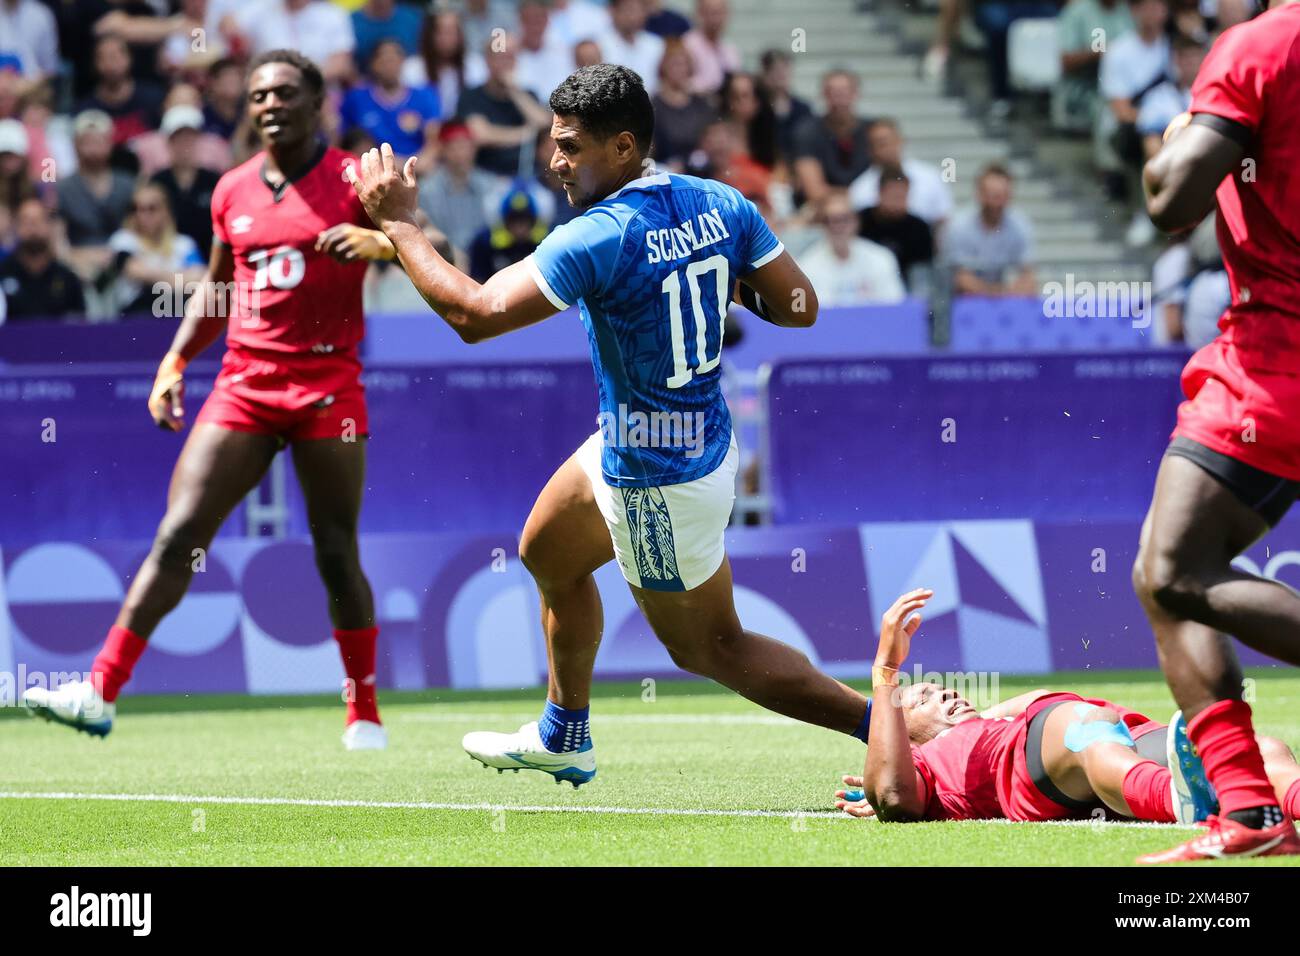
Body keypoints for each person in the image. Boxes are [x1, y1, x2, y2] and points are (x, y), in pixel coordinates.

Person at [348, 64, 876, 785]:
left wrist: (402, 225)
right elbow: (799, 308)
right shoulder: (722, 201)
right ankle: (565, 733)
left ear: (623, 147)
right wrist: (711, 276)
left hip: (657, 477)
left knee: (710, 648)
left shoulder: (597, 235)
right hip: (676, 440)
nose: (554, 162)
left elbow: (474, 315)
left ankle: (882, 727)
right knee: (548, 554)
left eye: (570, 146)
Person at [23, 50, 401, 751]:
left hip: (328, 385)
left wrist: (381, 242)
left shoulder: (354, 176)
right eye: (258, 94)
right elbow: (218, 290)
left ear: (318, 101)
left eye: (285, 92)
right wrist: (174, 359)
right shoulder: (230, 190)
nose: (269, 104)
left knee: (335, 550)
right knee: (179, 532)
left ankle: (364, 711)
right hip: (246, 384)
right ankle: (99, 691)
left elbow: (426, 244)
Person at [1132, 0, 1300, 862]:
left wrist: (1172, 137)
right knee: (1170, 570)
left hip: (1278, 357)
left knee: (1172, 570)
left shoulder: (1264, 46)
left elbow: (1171, 199)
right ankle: (1247, 809)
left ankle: (1247, 807)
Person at [836, 590, 1300, 836]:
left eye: (942, 688)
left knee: (1262, 749)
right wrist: (887, 669)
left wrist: (988, 715)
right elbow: (895, 797)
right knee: (1083, 727)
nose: (945, 694)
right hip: (1065, 752)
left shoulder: (993, 722)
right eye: (923, 699)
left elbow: (1027, 700)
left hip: (1124, 745)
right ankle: (1178, 800)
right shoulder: (926, 764)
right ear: (906, 736)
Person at [457, 35, 553, 179]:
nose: (506, 64)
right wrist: (526, 133)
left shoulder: (527, 95)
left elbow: (545, 125)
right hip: (486, 175)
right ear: (488, 61)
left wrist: (514, 91)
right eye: (501, 58)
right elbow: (480, 135)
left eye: (511, 58)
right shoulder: (472, 96)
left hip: (528, 176)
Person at [340, 39, 441, 171]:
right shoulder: (356, 98)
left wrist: (417, 165)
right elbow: (346, 141)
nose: (389, 66)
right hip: (374, 171)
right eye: (384, 61)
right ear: (373, 64)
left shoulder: (425, 95)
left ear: (403, 61)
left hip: (420, 170)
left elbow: (434, 140)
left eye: (393, 60)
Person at [107, 182, 205, 317]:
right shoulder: (123, 240)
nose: (143, 215)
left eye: (151, 208)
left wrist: (159, 279)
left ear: (166, 210)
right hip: (136, 312)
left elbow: (200, 277)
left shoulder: (184, 244)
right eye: (137, 209)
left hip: (178, 307)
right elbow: (135, 271)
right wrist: (178, 280)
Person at [797, 191, 905, 306]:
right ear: (823, 225)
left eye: (844, 219)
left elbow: (894, 304)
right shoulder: (806, 265)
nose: (838, 227)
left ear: (856, 222)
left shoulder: (881, 258)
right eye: (830, 220)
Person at [946, 164, 1036, 298]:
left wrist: (1011, 291)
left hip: (997, 292)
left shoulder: (1019, 226)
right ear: (979, 195)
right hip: (963, 299)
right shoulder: (960, 226)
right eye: (993, 196)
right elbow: (959, 277)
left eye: (1002, 196)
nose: (997, 204)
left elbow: (1029, 276)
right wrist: (996, 292)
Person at [846, 119, 952, 228]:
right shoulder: (860, 188)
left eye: (888, 141)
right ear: (869, 149)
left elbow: (942, 218)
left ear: (901, 140)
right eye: (878, 143)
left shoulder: (930, 176)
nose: (885, 148)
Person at [0, 197, 86, 320]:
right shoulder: (2, 274)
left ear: (49, 226)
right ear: (16, 228)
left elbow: (80, 325)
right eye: (27, 222)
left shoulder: (67, 278)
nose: (33, 228)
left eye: (38, 221)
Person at [858, 169, 935, 292]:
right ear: (879, 193)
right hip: (867, 285)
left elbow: (922, 271)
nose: (898, 202)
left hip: (909, 286)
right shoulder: (860, 221)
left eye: (902, 196)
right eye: (893, 196)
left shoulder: (919, 228)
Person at [649, 38, 718, 170]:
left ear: (690, 67)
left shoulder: (701, 104)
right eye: (674, 64)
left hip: (697, 167)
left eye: (683, 64)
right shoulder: (654, 105)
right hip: (663, 167)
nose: (679, 69)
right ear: (663, 67)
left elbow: (710, 141)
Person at [467, 185, 547, 282]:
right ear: (505, 222)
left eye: (525, 221)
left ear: (533, 222)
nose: (519, 227)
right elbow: (477, 279)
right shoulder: (484, 243)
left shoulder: (544, 245)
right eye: (513, 221)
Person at [595, 0, 666, 96]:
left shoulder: (656, 44)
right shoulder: (598, 44)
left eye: (639, 10)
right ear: (612, 11)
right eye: (628, 9)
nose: (633, 16)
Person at [680, 0, 739, 96]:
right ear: (699, 14)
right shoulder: (686, 45)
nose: (717, 19)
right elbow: (681, 84)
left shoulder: (730, 49)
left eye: (721, 12)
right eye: (712, 13)